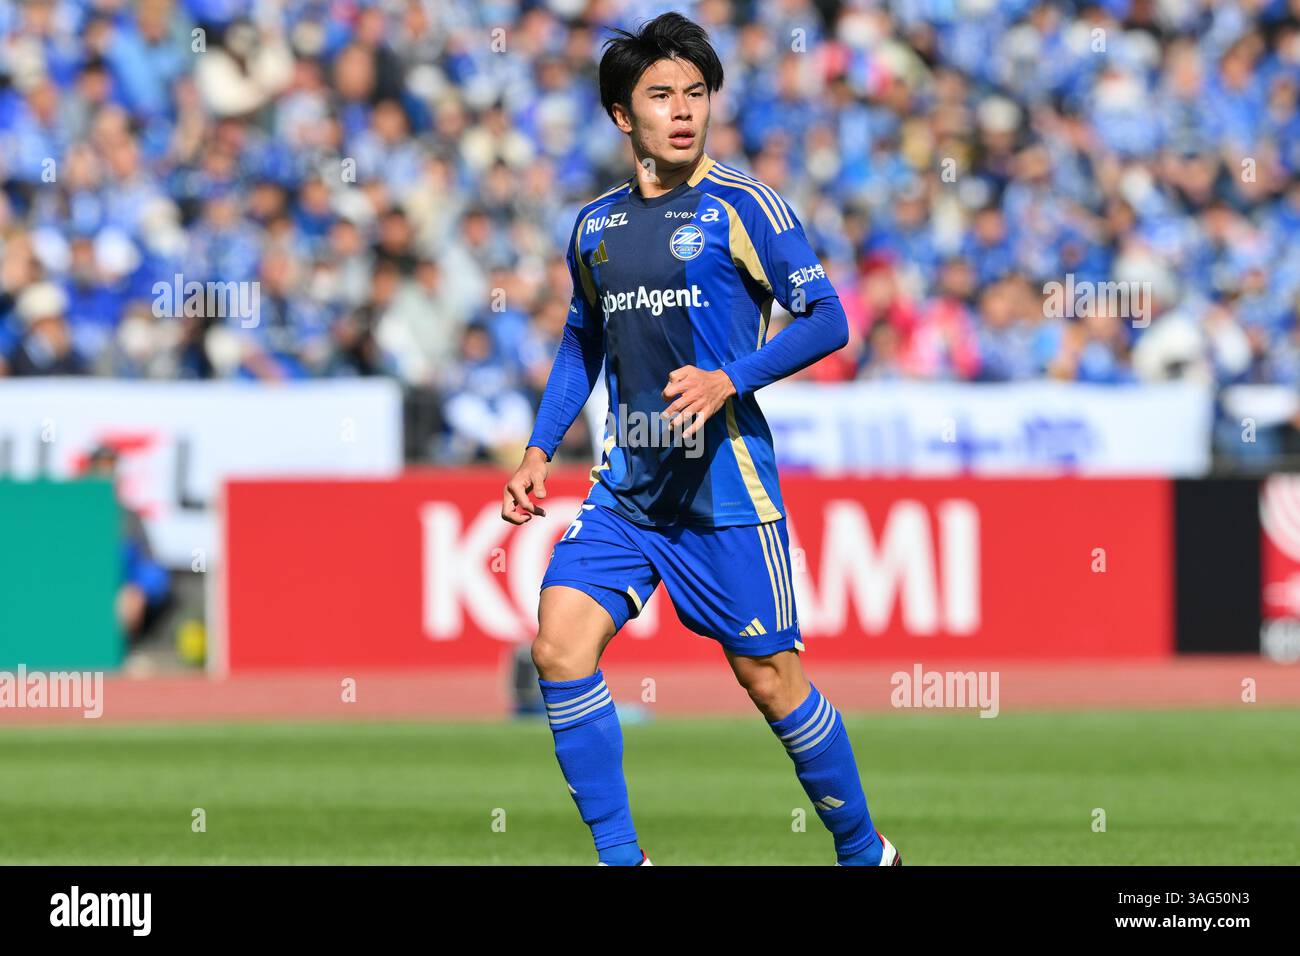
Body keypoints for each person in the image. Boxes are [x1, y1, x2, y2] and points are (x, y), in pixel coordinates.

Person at [500, 13, 899, 867]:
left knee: (770, 681)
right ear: (622, 116)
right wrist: (539, 448)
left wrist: (732, 377)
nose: (683, 111)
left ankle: (868, 855)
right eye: (660, 96)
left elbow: (829, 319)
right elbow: (583, 340)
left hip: (725, 491)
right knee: (558, 645)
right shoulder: (595, 228)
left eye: (695, 94)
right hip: (628, 491)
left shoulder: (746, 207)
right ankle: (623, 860)